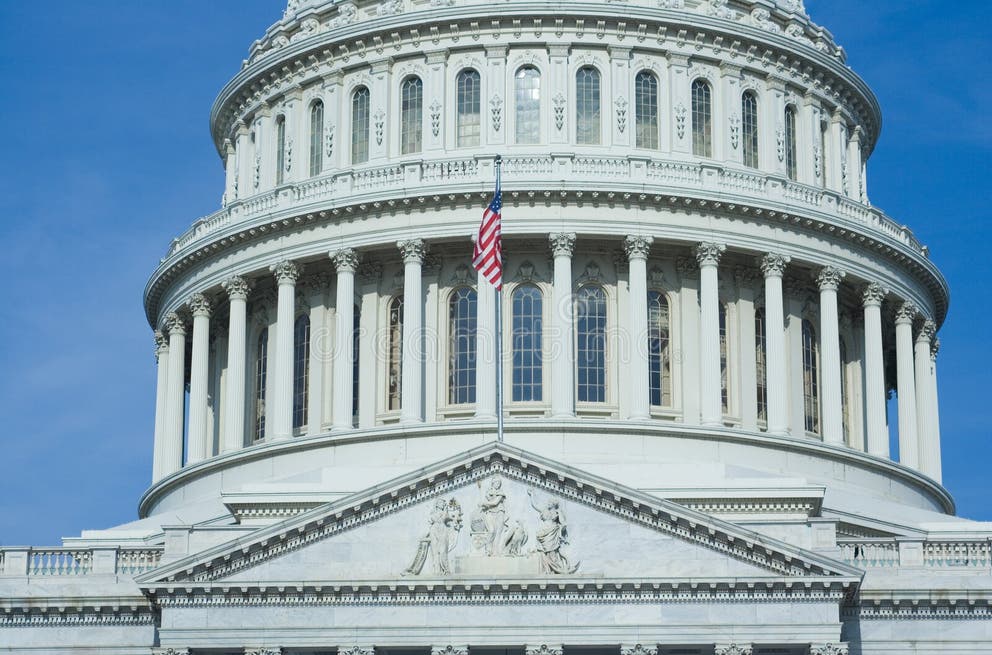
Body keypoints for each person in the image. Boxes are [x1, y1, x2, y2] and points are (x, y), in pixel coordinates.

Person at [527, 489, 579, 574]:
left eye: (550, 502)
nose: (548, 503)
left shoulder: (557, 512)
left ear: (554, 504)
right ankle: (546, 569)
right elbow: (535, 505)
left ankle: (556, 568)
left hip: (552, 533)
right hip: (544, 533)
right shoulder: (545, 510)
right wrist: (532, 495)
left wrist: (561, 531)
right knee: (543, 553)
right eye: (548, 502)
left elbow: (563, 523)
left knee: (551, 553)